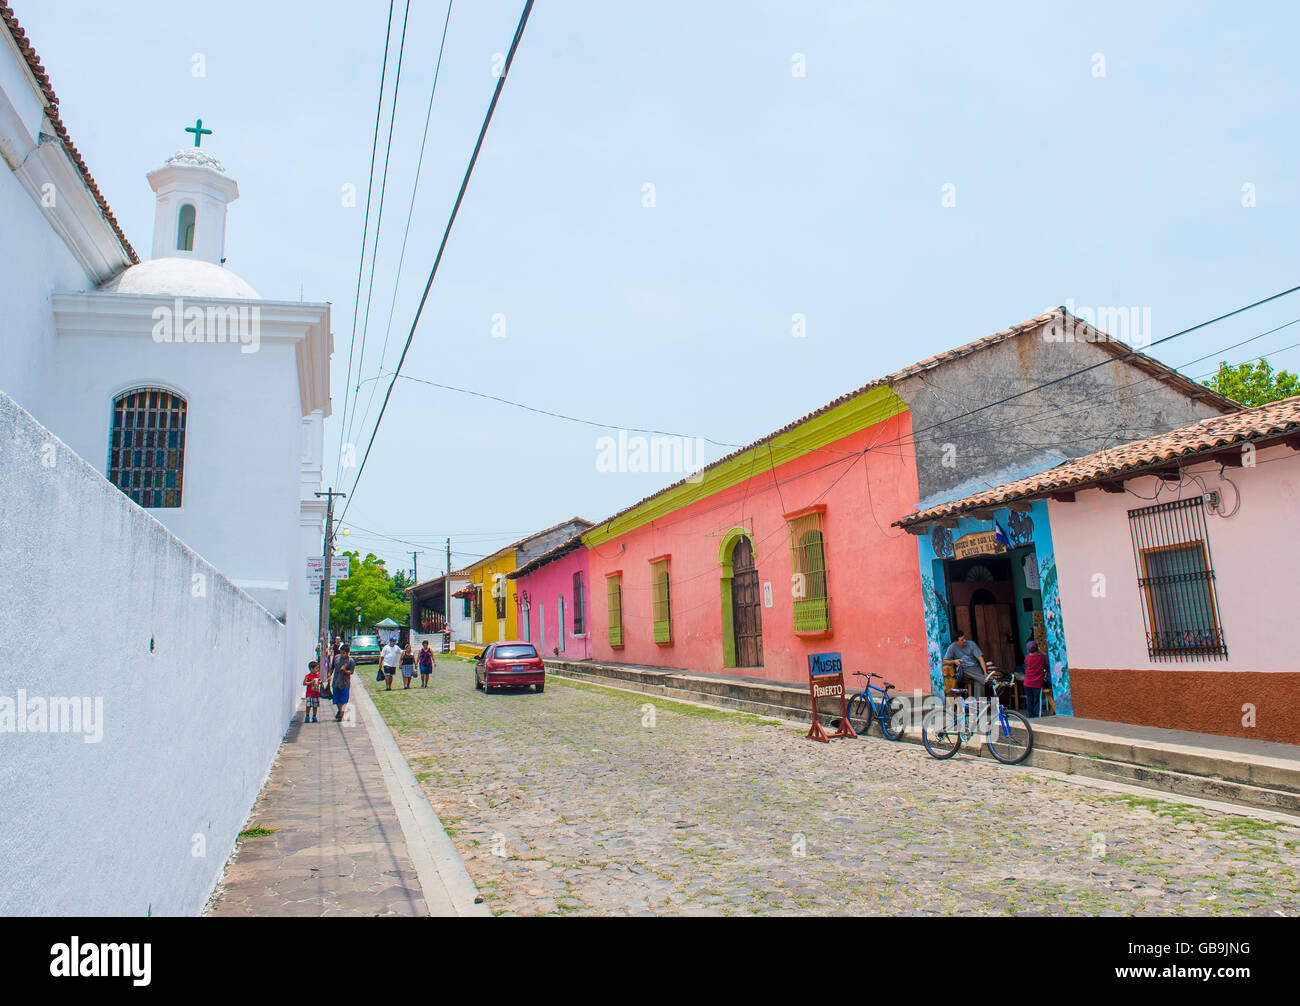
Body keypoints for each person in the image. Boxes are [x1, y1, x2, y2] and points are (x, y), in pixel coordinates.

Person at [943, 631, 991, 698]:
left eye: (964, 638)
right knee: (978, 676)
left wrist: (985, 672)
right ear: (956, 642)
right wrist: (954, 661)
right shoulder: (952, 648)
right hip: (964, 670)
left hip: (976, 668)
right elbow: (944, 661)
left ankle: (979, 705)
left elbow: (980, 659)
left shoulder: (971, 644)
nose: (965, 641)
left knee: (979, 682)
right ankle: (986, 679)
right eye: (962, 640)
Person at [1023, 638, 1048, 718]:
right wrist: (1040, 651)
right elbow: (1046, 656)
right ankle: (1037, 716)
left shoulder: (1027, 658)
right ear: (1037, 648)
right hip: (1037, 683)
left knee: (1029, 700)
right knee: (1037, 700)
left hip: (1027, 682)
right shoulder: (1042, 658)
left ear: (1028, 650)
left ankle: (1031, 716)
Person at [331, 643, 355, 721]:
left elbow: (351, 672)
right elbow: (332, 667)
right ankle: (340, 710)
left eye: (343, 653)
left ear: (347, 653)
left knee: (344, 698)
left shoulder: (350, 661)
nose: (342, 654)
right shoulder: (336, 658)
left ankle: (341, 712)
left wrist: (345, 670)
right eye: (341, 652)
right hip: (336, 681)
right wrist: (329, 675)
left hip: (345, 682)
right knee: (336, 698)